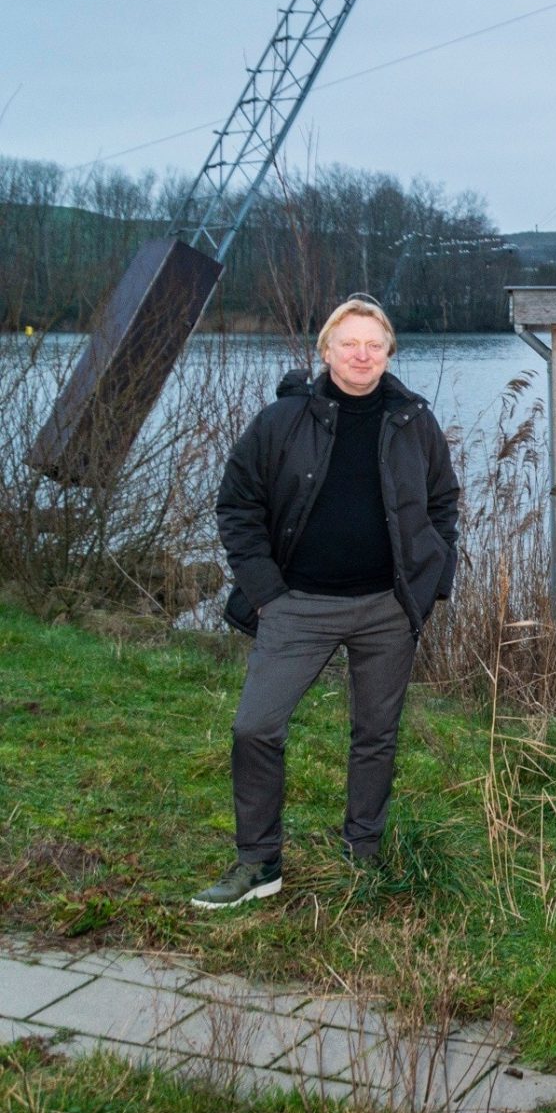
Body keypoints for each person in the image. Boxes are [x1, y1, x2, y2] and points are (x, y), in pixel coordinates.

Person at [193, 297, 460, 909]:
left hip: (387, 610)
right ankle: (258, 866)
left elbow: (443, 503)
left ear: (389, 351)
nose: (361, 355)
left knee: (375, 735)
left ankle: (361, 857)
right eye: (349, 343)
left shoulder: (414, 421)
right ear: (326, 351)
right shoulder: (282, 420)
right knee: (255, 727)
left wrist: (429, 582)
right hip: (296, 605)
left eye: (374, 344)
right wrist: (266, 592)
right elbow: (238, 506)